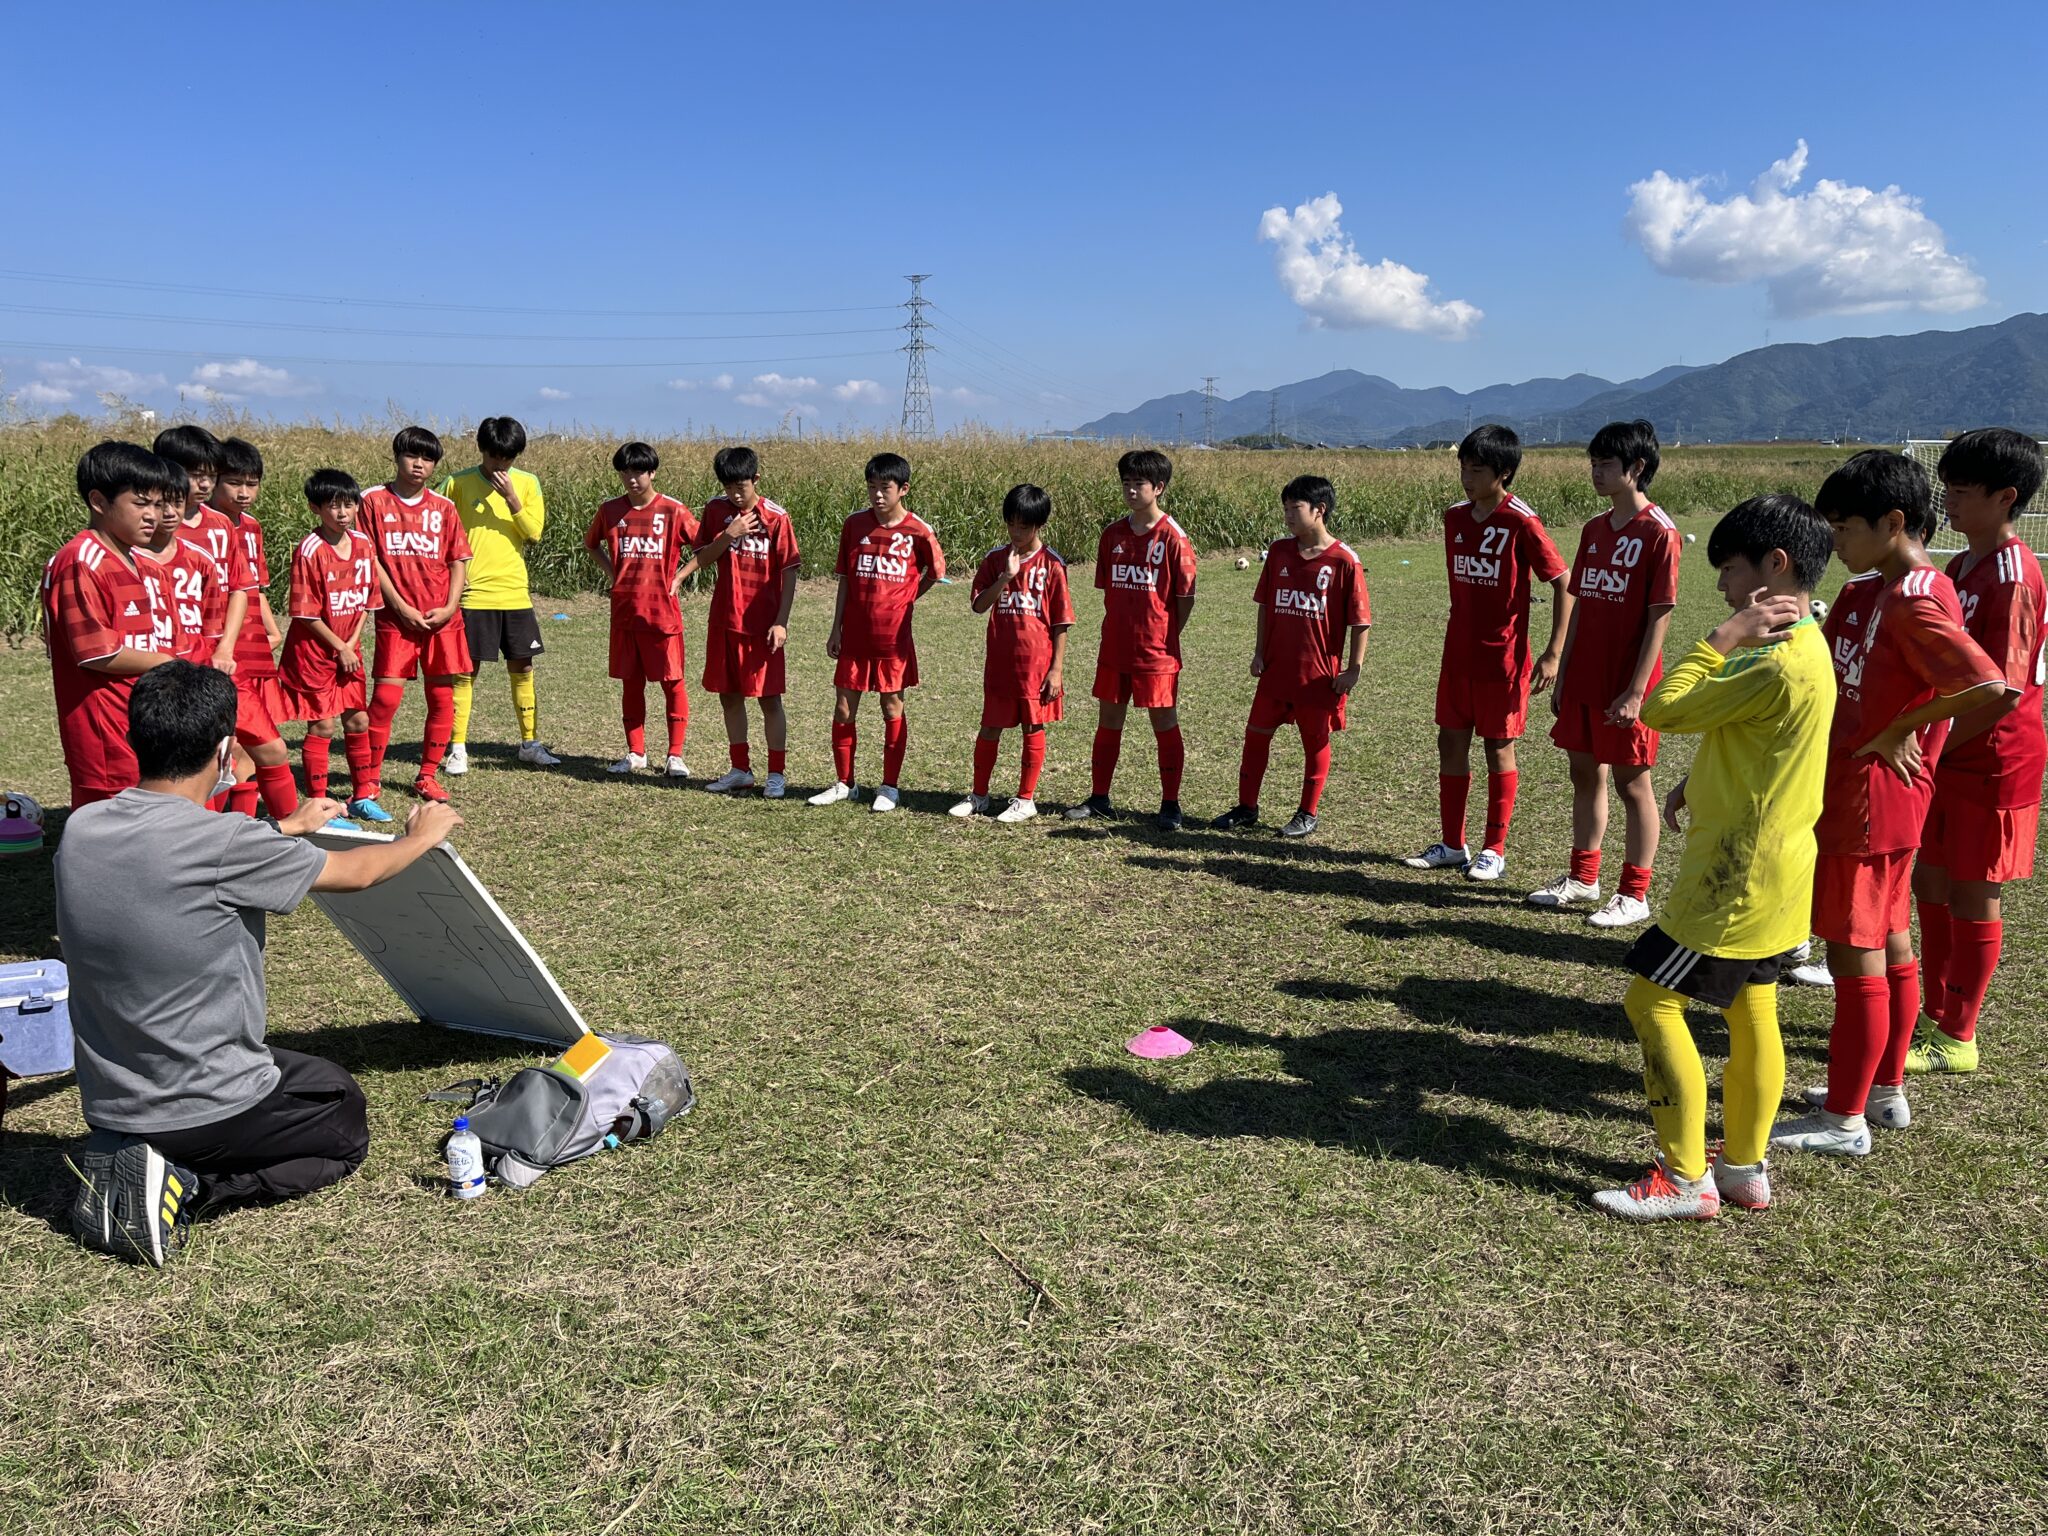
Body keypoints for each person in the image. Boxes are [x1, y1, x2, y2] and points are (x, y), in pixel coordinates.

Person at [60, 661, 462, 1267]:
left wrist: (285, 829)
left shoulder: (82, 828)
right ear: (225, 749)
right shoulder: (226, 842)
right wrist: (425, 832)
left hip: (112, 1097)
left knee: (312, 1075)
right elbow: (360, 872)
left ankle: (135, 1153)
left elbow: (176, 860)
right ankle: (187, 1188)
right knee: (343, 1117)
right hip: (196, 1104)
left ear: (132, 737)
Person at [1592, 495, 1835, 1221]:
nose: (1724, 588)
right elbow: (1763, 739)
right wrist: (1701, 778)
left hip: (1732, 876)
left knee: (1650, 998)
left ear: (1775, 568)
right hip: (1784, 869)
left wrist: (1719, 636)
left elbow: (1661, 708)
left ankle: (1684, 1177)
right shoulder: (1808, 643)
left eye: (1730, 572)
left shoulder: (1770, 658)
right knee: (1754, 1004)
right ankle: (1742, 1168)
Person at [1771, 451, 2006, 1158]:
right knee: (1891, 940)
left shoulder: (1916, 598)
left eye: (1844, 530)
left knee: (1855, 953)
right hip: (1870, 799)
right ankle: (1884, 1087)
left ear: (1893, 522)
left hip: (1870, 805)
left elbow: (1992, 687)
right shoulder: (1882, 588)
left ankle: (1845, 1119)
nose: (1836, 545)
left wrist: (1904, 729)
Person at [1905, 429, 2047, 1075]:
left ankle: (1959, 1033)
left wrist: (1930, 747)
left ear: (2006, 497)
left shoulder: (2014, 576)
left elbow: (2004, 694)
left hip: (1993, 758)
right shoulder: (1961, 566)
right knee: (1929, 880)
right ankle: (1931, 1013)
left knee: (1972, 891)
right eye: (1948, 490)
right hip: (1947, 751)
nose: (1950, 503)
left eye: (1962, 493)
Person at [1530, 419, 1680, 927]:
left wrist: (1638, 691)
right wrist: (1564, 668)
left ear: (1636, 469)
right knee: (1583, 772)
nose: (1595, 472)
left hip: (1626, 684)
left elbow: (1661, 614)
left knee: (1632, 783)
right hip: (1586, 677)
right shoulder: (1594, 529)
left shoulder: (1660, 532)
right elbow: (1582, 604)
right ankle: (1582, 876)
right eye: (1592, 462)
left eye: (1606, 464)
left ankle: (1634, 893)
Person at [1405, 425, 1570, 880]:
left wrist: (1554, 653)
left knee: (1499, 748)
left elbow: (1563, 583)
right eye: (1463, 468)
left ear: (1504, 473)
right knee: (1450, 742)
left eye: (1476, 470)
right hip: (1458, 656)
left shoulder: (1521, 521)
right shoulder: (1454, 517)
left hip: (1504, 661)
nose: (1466, 477)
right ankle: (1453, 844)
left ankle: (1494, 849)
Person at [1210, 475, 1371, 838]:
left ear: (1319, 510)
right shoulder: (1280, 552)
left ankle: (1307, 813)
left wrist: (1354, 669)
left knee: (1315, 743)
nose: (1288, 516)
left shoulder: (1344, 560)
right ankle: (1247, 807)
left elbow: (1361, 621)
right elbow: (1265, 605)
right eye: (1285, 508)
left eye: (1295, 508)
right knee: (1255, 736)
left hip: (1317, 676)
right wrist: (1258, 652)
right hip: (1276, 670)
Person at [41, 441, 180, 807]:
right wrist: (172, 665)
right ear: (99, 502)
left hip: (143, 721)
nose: (153, 515)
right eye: (140, 503)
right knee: (106, 836)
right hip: (104, 728)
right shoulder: (81, 561)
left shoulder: (141, 563)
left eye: (158, 503)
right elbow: (96, 654)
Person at [1066, 448, 1198, 830]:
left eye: (1138, 483)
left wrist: (1165, 635)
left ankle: (1171, 804)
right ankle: (1099, 797)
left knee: (1164, 722)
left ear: (1158, 487)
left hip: (1156, 652)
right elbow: (1108, 588)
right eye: (1125, 482)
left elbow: (1185, 598)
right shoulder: (1112, 534)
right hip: (1115, 647)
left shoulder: (1173, 538)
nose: (1130, 490)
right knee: (1109, 720)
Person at [811, 452, 945, 813]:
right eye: (871, 488)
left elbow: (935, 571)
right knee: (842, 709)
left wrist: (909, 596)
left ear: (903, 489)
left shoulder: (919, 530)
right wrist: (835, 627)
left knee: (891, 706)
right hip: (854, 635)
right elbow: (844, 581)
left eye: (884, 488)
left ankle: (889, 787)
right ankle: (844, 783)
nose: (877, 495)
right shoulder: (854, 525)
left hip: (892, 640)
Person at [359, 426, 472, 819]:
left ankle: (426, 775)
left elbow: (459, 560)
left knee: (442, 697)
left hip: (443, 619)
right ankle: (369, 778)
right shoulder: (371, 501)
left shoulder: (444, 507)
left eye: (427, 459)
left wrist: (450, 605)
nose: (419, 464)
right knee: (386, 699)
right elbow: (368, 558)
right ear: (397, 457)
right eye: (412, 456)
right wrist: (400, 606)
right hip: (396, 619)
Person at [439, 416, 557, 769]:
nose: (500, 465)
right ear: (482, 450)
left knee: (523, 667)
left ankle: (529, 744)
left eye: (507, 458)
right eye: (494, 457)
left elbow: (533, 533)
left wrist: (511, 498)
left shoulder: (527, 483)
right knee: (464, 672)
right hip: (473, 594)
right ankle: (457, 748)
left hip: (514, 593)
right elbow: (440, 533)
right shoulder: (456, 483)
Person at [952, 483, 1074, 823]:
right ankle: (979, 795)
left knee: (1032, 727)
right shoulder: (995, 559)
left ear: (1039, 525)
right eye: (1011, 524)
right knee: (990, 726)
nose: (1017, 532)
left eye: (1024, 526)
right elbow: (978, 606)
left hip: (1036, 665)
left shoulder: (1052, 565)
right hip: (1001, 662)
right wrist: (1006, 576)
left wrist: (1056, 670)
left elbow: (1062, 622)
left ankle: (1025, 799)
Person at [200, 431, 302, 822]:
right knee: (216, 745)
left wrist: (270, 628)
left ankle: (247, 825)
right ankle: (213, 824)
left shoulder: (251, 527)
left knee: (251, 743)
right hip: (213, 647)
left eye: (252, 484)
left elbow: (251, 586)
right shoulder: (194, 526)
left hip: (250, 645)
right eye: (234, 482)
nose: (244, 492)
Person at [584, 441, 700, 776]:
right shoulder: (609, 511)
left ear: (652, 472)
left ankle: (675, 755)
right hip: (625, 612)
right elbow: (591, 544)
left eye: (639, 471)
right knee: (630, 684)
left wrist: (679, 577)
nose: (632, 478)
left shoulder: (674, 511)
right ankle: (636, 753)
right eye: (626, 471)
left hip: (662, 614)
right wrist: (614, 574)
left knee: (672, 682)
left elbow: (705, 546)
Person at [696, 446, 800, 799]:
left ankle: (776, 774)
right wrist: (730, 534)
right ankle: (740, 769)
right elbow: (704, 559)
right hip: (725, 619)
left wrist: (781, 622)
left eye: (741, 486)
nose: (735, 494)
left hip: (762, 625)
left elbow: (790, 571)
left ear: (756, 479)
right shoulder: (715, 511)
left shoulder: (776, 517)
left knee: (769, 700)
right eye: (728, 487)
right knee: (729, 695)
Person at [279, 470, 380, 814]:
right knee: (322, 724)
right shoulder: (309, 550)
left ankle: (363, 796)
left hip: (349, 650)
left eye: (349, 505)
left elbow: (368, 601)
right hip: (315, 653)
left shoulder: (364, 544)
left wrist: (350, 644)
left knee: (358, 720)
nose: (342, 513)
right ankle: (319, 802)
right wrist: (340, 646)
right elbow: (305, 614)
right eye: (333, 506)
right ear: (315, 508)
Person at [135, 460, 213, 663]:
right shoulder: (130, 560)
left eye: (178, 503)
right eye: (162, 504)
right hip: (149, 663)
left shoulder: (201, 560)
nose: (170, 513)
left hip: (196, 663)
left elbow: (213, 624)